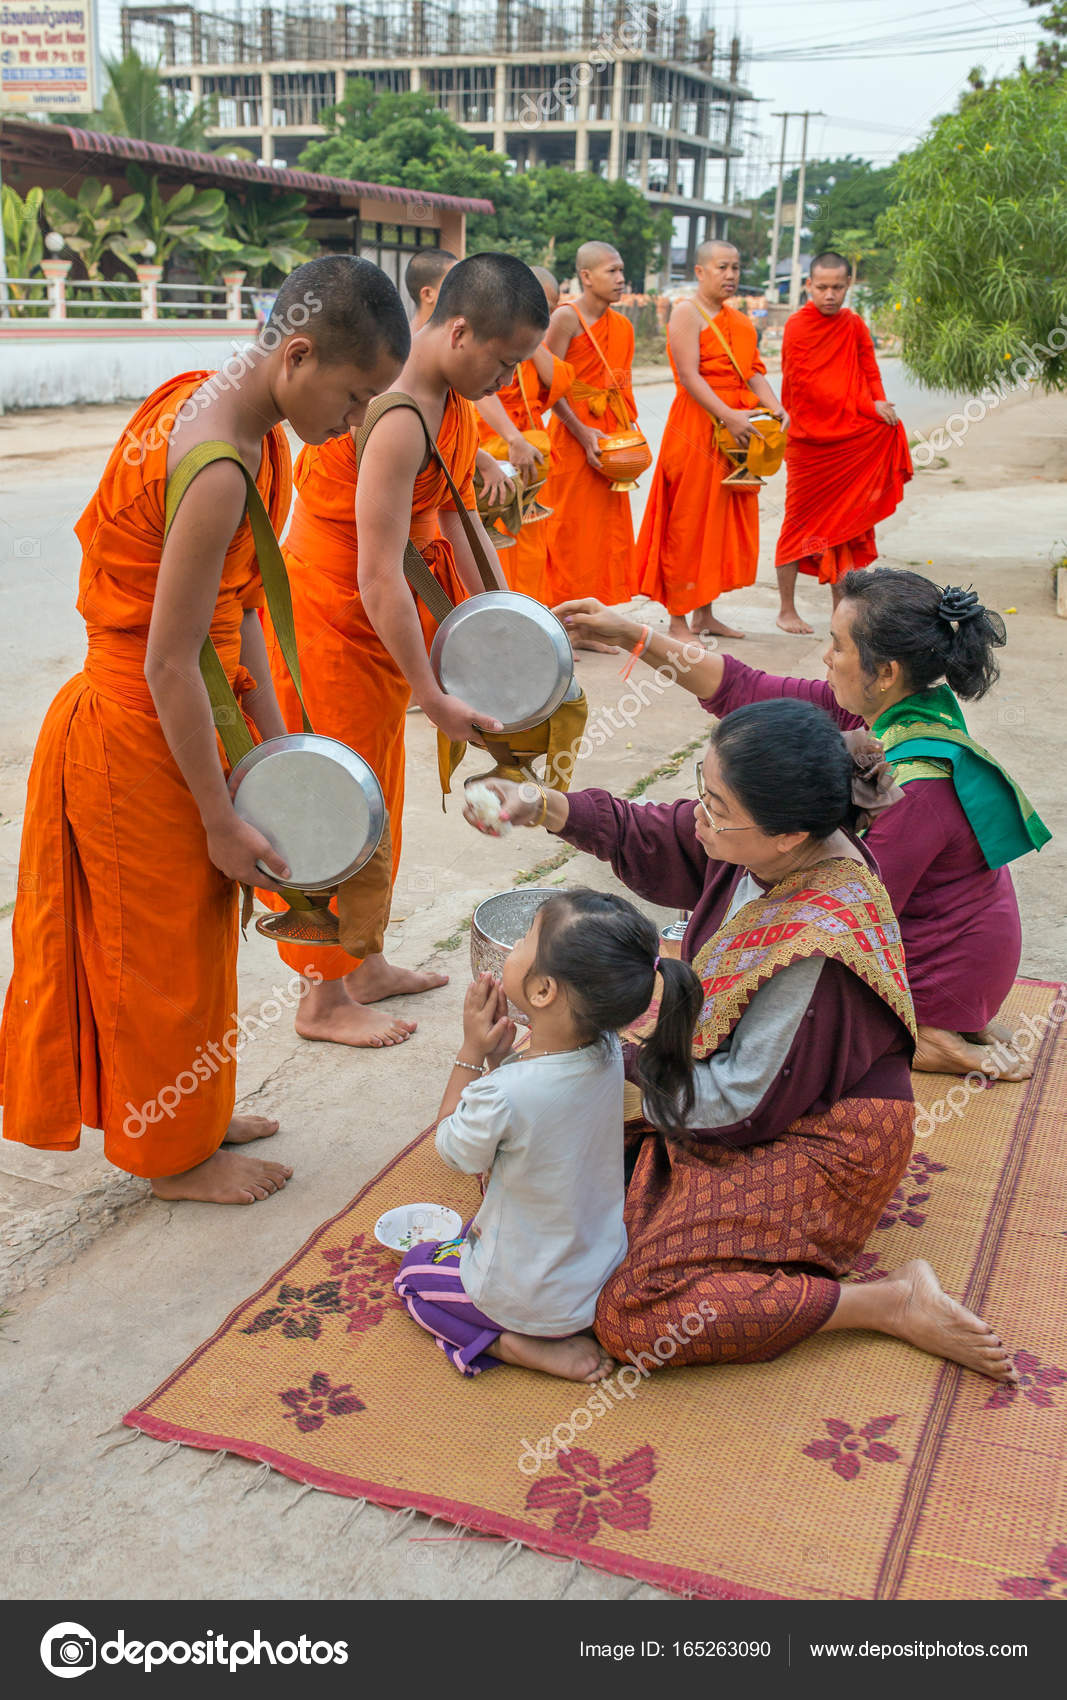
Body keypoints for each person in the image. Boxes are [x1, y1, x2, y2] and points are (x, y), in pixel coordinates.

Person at [0, 256, 409, 1204]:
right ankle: (171, 1158)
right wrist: (222, 815)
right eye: (351, 397)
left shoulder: (232, 403)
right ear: (298, 354)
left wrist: (269, 746)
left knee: (198, 934)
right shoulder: (218, 461)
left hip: (190, 720)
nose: (352, 424)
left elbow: (247, 609)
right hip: (137, 731)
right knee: (158, 959)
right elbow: (167, 660)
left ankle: (195, 1109)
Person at [467, 702, 1017, 1385]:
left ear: (785, 835)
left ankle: (883, 1302)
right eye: (702, 786)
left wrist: (605, 1053)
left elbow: (736, 1108)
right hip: (734, 1092)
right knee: (528, 1181)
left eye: (715, 804)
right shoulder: (759, 839)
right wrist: (543, 804)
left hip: (817, 1138)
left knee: (630, 1315)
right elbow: (662, 831)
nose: (697, 814)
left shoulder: (818, 941)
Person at [557, 572, 1049, 1080]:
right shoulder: (889, 705)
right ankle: (955, 1016)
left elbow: (856, 918)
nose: (825, 656)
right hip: (961, 948)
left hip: (945, 966)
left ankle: (929, 1036)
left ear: (885, 671)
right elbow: (743, 688)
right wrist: (629, 633)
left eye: (837, 645)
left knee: (784, 986)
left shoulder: (911, 786)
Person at [262, 252, 549, 1046]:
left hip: (377, 630)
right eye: (502, 361)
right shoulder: (395, 417)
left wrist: (493, 625)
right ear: (458, 331)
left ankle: (366, 960)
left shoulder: (447, 402)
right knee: (334, 810)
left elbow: (451, 520)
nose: (505, 381)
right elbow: (379, 577)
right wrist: (432, 693)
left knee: (377, 801)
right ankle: (321, 1001)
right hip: (331, 622)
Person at [395, 890, 701, 1381]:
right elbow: (536, 1114)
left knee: (414, 1274)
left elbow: (452, 1149)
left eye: (523, 939)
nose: (513, 945)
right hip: (595, 1274)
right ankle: (539, 1329)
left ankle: (515, 1346)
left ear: (542, 991)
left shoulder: (503, 1095)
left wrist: (471, 1051)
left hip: (527, 1299)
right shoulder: (604, 1050)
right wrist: (499, 1061)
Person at [637, 241, 786, 643]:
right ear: (700, 271)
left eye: (736, 267)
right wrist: (728, 415)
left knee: (717, 524)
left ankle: (706, 614)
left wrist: (774, 407)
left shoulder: (740, 321)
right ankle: (678, 620)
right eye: (722, 267)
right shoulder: (687, 311)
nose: (731, 274)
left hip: (735, 433)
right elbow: (689, 376)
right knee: (687, 522)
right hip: (697, 426)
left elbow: (753, 372)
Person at [775, 251, 912, 635]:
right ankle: (786, 609)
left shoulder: (853, 325)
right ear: (808, 286)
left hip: (847, 441)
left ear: (848, 285)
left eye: (837, 287)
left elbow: (869, 369)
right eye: (822, 287)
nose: (830, 295)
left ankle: (842, 611)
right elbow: (808, 387)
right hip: (808, 444)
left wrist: (879, 405)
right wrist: (866, 405)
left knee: (847, 527)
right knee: (797, 526)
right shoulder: (797, 327)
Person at [542, 242, 640, 616]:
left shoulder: (624, 327)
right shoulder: (566, 319)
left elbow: (622, 389)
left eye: (620, 270)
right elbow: (548, 384)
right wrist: (583, 433)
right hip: (572, 438)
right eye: (611, 271)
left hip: (611, 441)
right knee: (569, 530)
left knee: (604, 534)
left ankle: (593, 618)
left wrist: (629, 442)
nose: (620, 278)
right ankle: (564, 615)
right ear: (586, 277)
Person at [473, 264, 575, 599]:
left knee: (532, 549)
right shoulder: (490, 340)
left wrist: (533, 338)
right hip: (495, 451)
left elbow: (555, 383)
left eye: (549, 309)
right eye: (537, 307)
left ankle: (531, 627)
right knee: (497, 547)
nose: (545, 317)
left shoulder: (528, 345)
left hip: (530, 453)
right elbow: (477, 394)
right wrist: (511, 439)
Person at [404, 245, 524, 507]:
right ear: (428, 294)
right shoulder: (404, 352)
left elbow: (483, 392)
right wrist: (480, 458)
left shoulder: (465, 346)